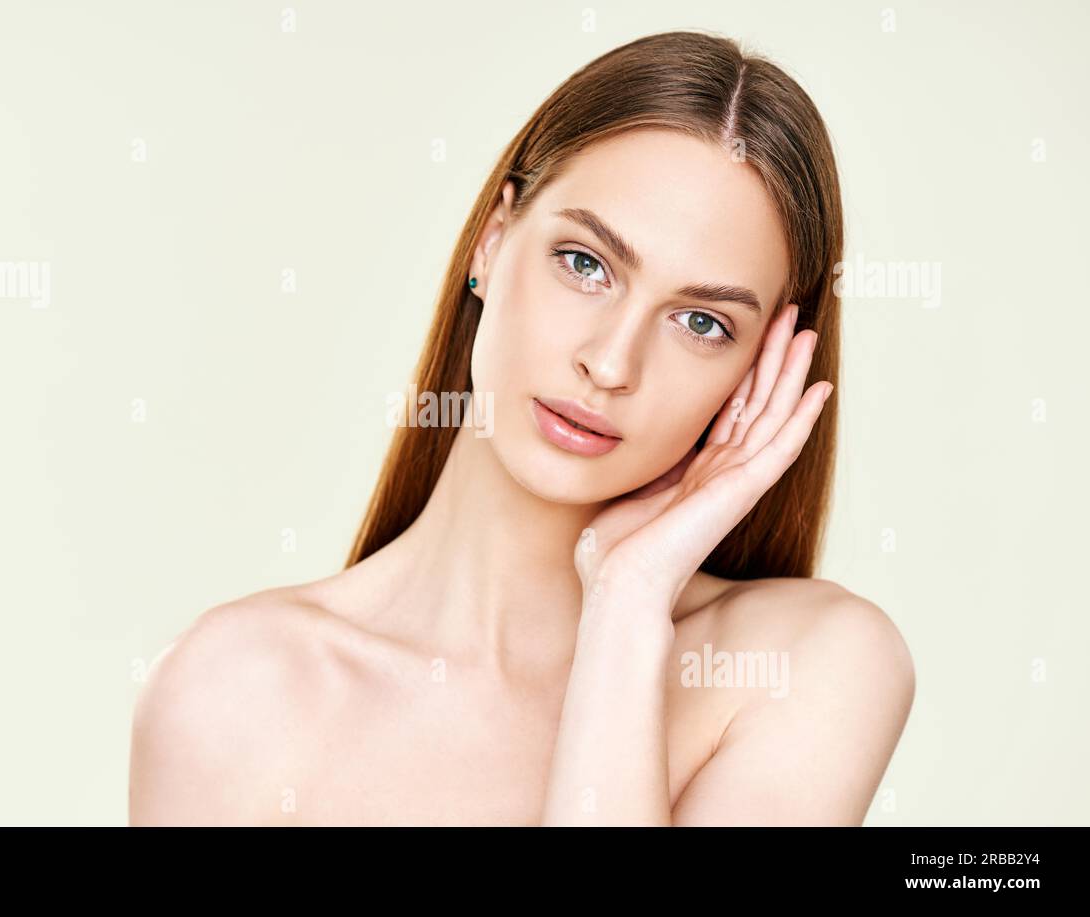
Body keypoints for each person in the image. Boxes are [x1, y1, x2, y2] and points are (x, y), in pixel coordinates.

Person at [128, 30, 915, 826]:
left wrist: (628, 601)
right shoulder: (235, 691)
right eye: (585, 264)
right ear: (494, 240)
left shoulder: (804, 664)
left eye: (701, 322)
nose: (611, 364)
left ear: (759, 369)